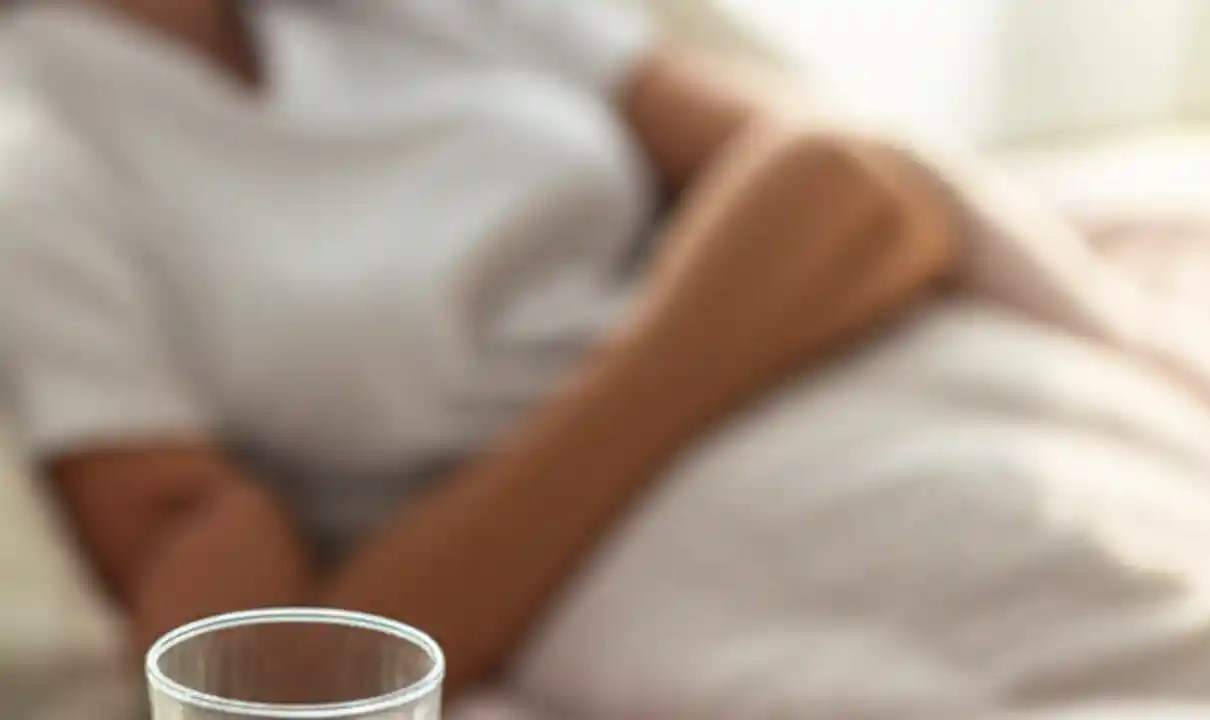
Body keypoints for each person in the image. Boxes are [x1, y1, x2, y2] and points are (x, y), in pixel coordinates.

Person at [0, 0, 953, 695]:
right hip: (672, 552)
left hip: (898, 393)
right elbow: (270, 677)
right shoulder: (42, 154)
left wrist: (679, 352)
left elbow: (859, 195)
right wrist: (700, 343)